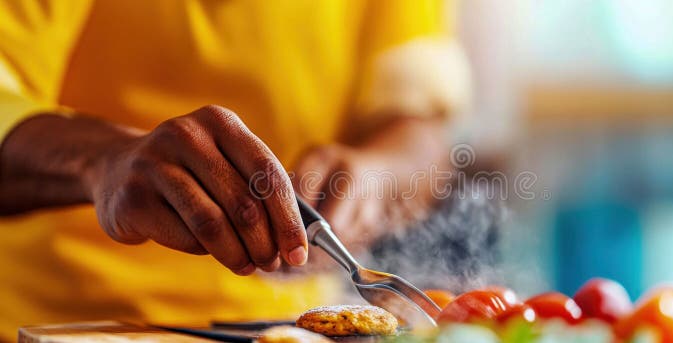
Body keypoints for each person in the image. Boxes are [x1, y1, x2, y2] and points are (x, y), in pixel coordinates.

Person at [0, 1, 470, 340]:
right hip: (59, 320)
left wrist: (377, 174)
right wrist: (102, 160)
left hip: (281, 323)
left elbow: (419, 132)